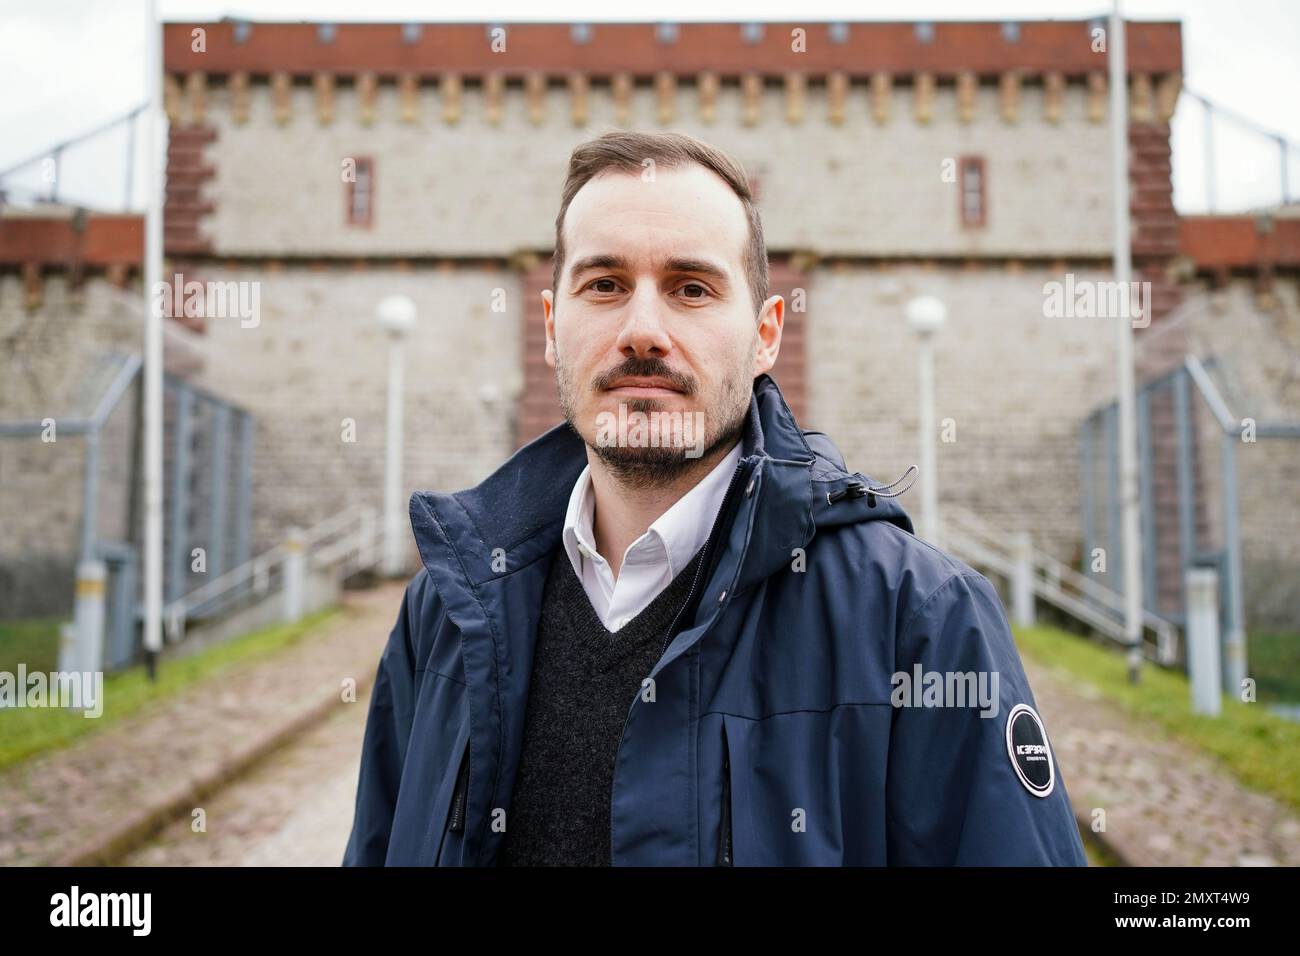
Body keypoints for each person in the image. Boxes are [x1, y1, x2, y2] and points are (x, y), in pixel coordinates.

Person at [343, 130, 1087, 866]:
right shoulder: (443, 613)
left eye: (691, 289)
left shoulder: (920, 622)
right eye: (603, 284)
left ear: (766, 336)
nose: (642, 332)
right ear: (550, 328)